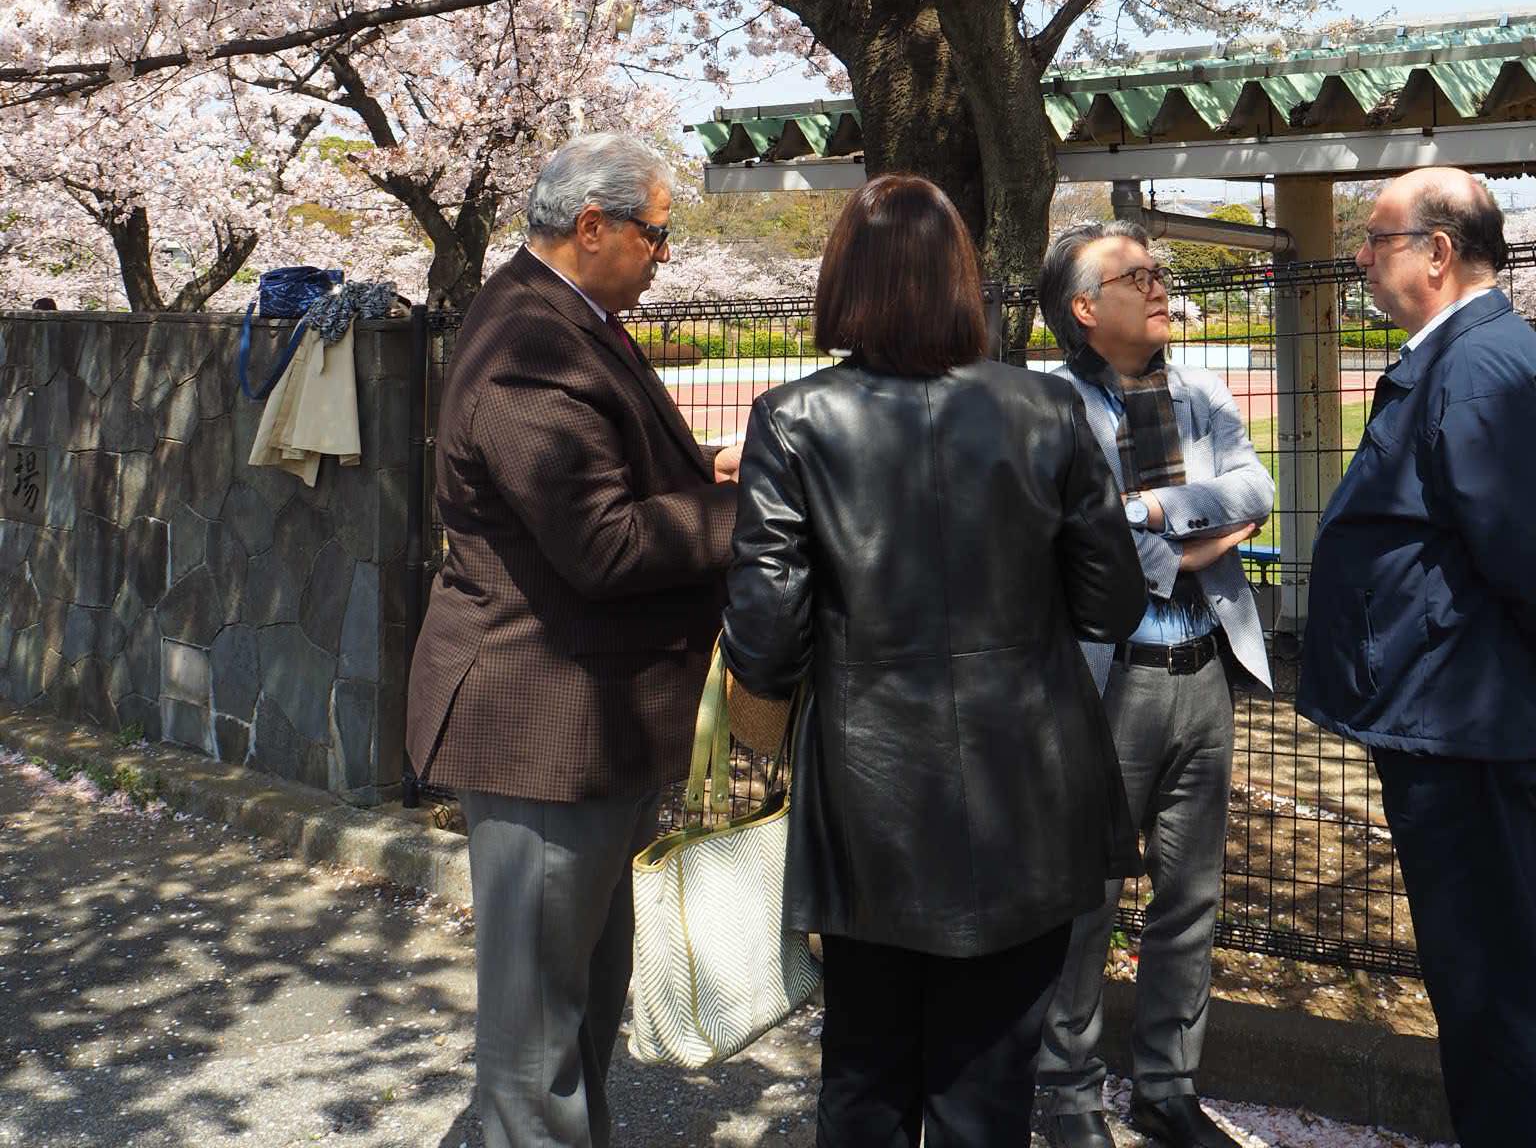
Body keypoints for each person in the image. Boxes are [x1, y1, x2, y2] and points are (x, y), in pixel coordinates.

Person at [720, 174, 1146, 1148]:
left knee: (864, 1083)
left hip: (868, 806)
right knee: (988, 1093)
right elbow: (1113, 600)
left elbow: (765, 637)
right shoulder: (1046, 408)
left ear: (844, 281)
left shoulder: (793, 419)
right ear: (962, 280)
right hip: (1029, 794)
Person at [405, 133, 740, 1148]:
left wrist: (706, 474)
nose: (663, 254)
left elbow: (612, 486)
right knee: (536, 1033)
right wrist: (757, 502)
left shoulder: (569, 319)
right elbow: (599, 542)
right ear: (591, 226)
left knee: (586, 998)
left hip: (590, 722)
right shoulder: (529, 344)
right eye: (656, 233)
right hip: (541, 726)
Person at [1298, 167, 1536, 1148]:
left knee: (1493, 986)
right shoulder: (1463, 359)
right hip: (1456, 719)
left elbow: (1523, 554)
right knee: (1483, 978)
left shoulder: (1476, 369)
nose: (1360, 254)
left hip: (1472, 732)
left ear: (1438, 251)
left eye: (1377, 237)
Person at [1034, 220, 1274, 1148]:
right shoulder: (1049, 404)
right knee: (1086, 897)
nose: (1159, 284)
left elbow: (1254, 489)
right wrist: (1184, 540)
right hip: (1106, 683)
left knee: (1192, 894)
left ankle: (1168, 1087)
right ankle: (1068, 1093)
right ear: (1085, 309)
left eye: (1158, 270)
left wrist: (1149, 512)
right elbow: (1083, 539)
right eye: (1135, 276)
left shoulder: (1200, 387)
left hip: (1204, 669)